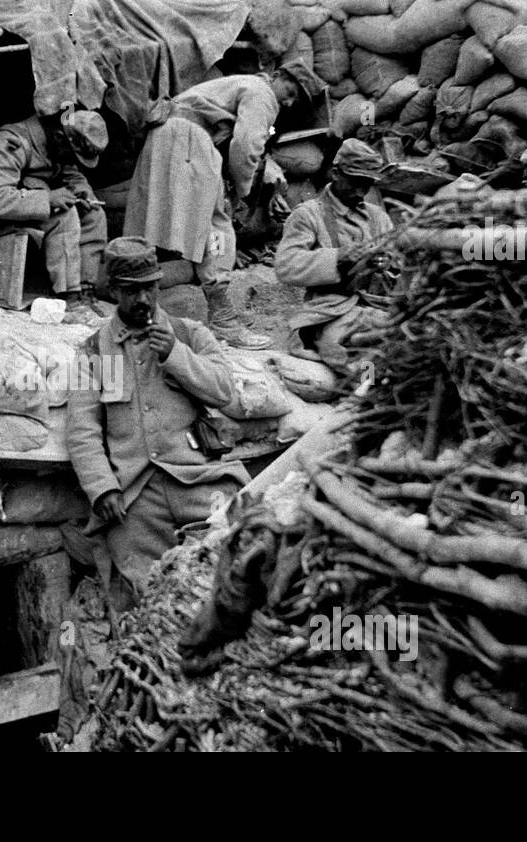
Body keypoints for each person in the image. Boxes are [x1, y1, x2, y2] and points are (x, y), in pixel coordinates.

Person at [67, 237, 251, 611]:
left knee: (237, 562)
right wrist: (102, 488)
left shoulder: (189, 334)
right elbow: (83, 429)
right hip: (137, 496)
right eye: (131, 291)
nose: (143, 300)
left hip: (199, 480)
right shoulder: (96, 352)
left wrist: (175, 355)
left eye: (149, 288)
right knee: (149, 594)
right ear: (114, 291)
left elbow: (224, 391)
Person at [123, 66, 308, 350]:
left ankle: (129, 295)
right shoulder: (262, 92)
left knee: (150, 220)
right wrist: (243, 190)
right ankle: (223, 320)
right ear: (277, 76)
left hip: (166, 135)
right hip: (190, 140)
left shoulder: (240, 84)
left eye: (295, 100)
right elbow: (246, 145)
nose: (289, 102)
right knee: (217, 227)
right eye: (291, 92)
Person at [274, 138, 395, 372]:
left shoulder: (377, 216)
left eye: (367, 184)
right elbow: (286, 266)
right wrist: (338, 257)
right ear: (336, 173)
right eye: (356, 182)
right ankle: (372, 383)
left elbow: (399, 263)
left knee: (407, 337)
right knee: (338, 348)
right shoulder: (308, 214)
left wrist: (386, 264)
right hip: (330, 309)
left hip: (377, 304)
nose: (361, 191)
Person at [0, 106, 109, 312]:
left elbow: (72, 174)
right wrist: (48, 199)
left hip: (29, 214)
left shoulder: (57, 145)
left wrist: (83, 194)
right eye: (72, 156)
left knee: (93, 215)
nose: (72, 162)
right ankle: (70, 297)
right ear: (59, 138)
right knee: (64, 215)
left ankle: (85, 289)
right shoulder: (9, 143)